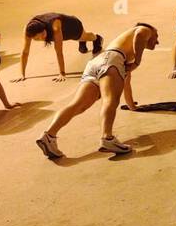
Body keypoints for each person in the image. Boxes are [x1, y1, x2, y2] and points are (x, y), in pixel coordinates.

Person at [36, 23, 159, 159]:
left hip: (96, 62)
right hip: (111, 60)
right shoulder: (145, 29)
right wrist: (138, 61)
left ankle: (48, 136)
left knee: (78, 105)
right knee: (110, 99)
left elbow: (125, 82)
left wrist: (132, 106)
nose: (157, 41)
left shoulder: (125, 53)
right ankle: (107, 138)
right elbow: (141, 34)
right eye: (157, 36)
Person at [15, 13, 103, 82]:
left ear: (44, 29)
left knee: (84, 36)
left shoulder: (55, 26)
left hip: (72, 26)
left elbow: (59, 52)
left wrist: (62, 73)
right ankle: (82, 42)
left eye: (43, 34)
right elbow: (25, 52)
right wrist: (22, 74)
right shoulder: (28, 30)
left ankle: (97, 38)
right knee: (80, 42)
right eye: (37, 38)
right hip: (58, 30)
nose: (42, 38)